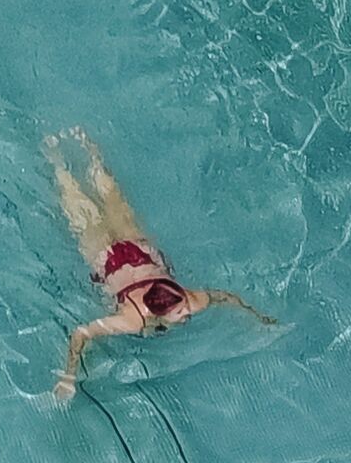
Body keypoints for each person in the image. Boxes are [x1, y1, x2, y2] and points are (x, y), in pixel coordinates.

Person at [46, 129, 270, 402]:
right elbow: (82, 333)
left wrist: (257, 317)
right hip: (106, 258)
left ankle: (91, 151)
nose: (188, 311)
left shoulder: (191, 300)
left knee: (113, 197)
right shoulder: (131, 320)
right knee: (79, 204)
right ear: (156, 312)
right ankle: (56, 160)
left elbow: (224, 296)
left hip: (138, 249)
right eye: (180, 311)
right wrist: (68, 377)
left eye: (183, 305)